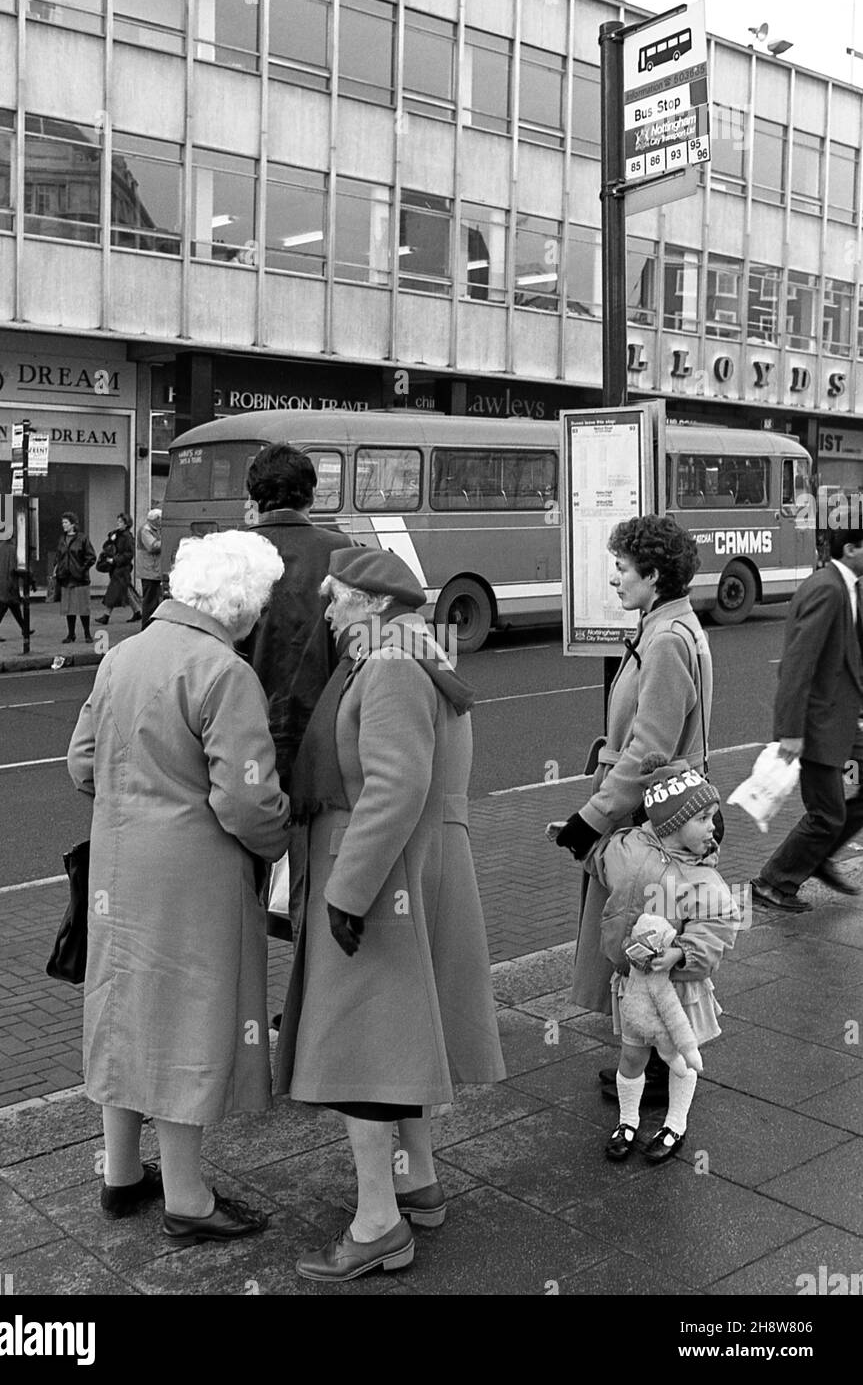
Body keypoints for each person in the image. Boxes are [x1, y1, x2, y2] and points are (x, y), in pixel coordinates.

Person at [275, 546, 505, 1283]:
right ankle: (417, 1184)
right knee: (398, 1037)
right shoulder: (411, 649)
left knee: (362, 1051)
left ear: (373, 603)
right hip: (408, 868)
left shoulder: (388, 666)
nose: (330, 608)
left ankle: (377, 1225)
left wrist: (347, 890)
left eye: (339, 597)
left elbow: (394, 786)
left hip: (375, 875)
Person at [67, 530, 290, 1244]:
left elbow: (81, 764)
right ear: (243, 606)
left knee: (123, 1009)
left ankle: (122, 1175)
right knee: (188, 1025)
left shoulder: (124, 656)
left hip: (117, 867)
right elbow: (247, 803)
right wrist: (282, 841)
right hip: (195, 879)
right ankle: (189, 1200)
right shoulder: (225, 674)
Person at [549, 514, 711, 1110]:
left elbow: (648, 752)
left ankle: (656, 1069)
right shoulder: (671, 626)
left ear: (654, 575)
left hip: (649, 820)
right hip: (661, 812)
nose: (614, 579)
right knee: (645, 941)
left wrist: (591, 818)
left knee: (642, 945)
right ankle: (651, 1060)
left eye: (622, 568)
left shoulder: (665, 641)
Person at [589, 755, 737, 1164]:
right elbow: (604, 858)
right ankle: (628, 1119)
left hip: (679, 987)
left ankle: (675, 1123)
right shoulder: (632, 848)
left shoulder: (704, 879)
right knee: (632, 1055)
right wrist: (575, 841)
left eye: (713, 817)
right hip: (637, 987)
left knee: (679, 1058)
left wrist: (681, 952)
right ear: (672, 823)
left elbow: (718, 929)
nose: (713, 827)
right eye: (703, 818)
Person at [235, 442, 355, 942]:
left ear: (254, 496)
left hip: (243, 736)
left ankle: (242, 1007)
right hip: (322, 740)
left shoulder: (230, 554)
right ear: (312, 495)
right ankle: (308, 1007)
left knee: (242, 887)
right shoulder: (341, 550)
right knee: (315, 883)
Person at [751, 524, 863, 912]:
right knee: (827, 814)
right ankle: (773, 881)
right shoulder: (828, 590)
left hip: (843, 724)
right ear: (851, 549)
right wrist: (791, 732)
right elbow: (797, 665)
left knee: (837, 807)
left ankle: (814, 862)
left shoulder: (845, 587)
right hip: (818, 727)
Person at [54, 512, 96, 644]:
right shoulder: (62, 539)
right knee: (69, 608)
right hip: (66, 577)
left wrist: (82, 569)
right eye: (62, 523)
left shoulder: (82, 538)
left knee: (83, 607)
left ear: (72, 524)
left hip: (79, 578)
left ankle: (87, 633)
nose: (63, 525)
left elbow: (91, 557)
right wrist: (57, 568)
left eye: (66, 523)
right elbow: (58, 555)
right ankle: (71, 634)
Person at [0, 535, 34, 644]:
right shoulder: (14, 550)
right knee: (3, 607)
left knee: (14, 606)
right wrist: (29, 579)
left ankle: (24, 628)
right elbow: (17, 568)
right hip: (10, 583)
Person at [95, 514, 139, 626]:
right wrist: (111, 539)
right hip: (116, 567)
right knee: (126, 590)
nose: (118, 524)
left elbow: (129, 554)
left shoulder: (128, 537)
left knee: (113, 591)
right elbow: (107, 547)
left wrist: (114, 560)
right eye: (118, 521)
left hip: (122, 568)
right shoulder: (116, 535)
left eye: (120, 522)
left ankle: (106, 615)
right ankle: (137, 611)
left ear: (126, 524)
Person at [135, 507, 163, 629]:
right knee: (149, 600)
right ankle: (146, 626)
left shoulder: (155, 529)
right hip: (149, 570)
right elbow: (152, 546)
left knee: (154, 599)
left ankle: (151, 626)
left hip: (153, 569)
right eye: (161, 519)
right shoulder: (145, 530)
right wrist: (166, 541)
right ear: (156, 520)